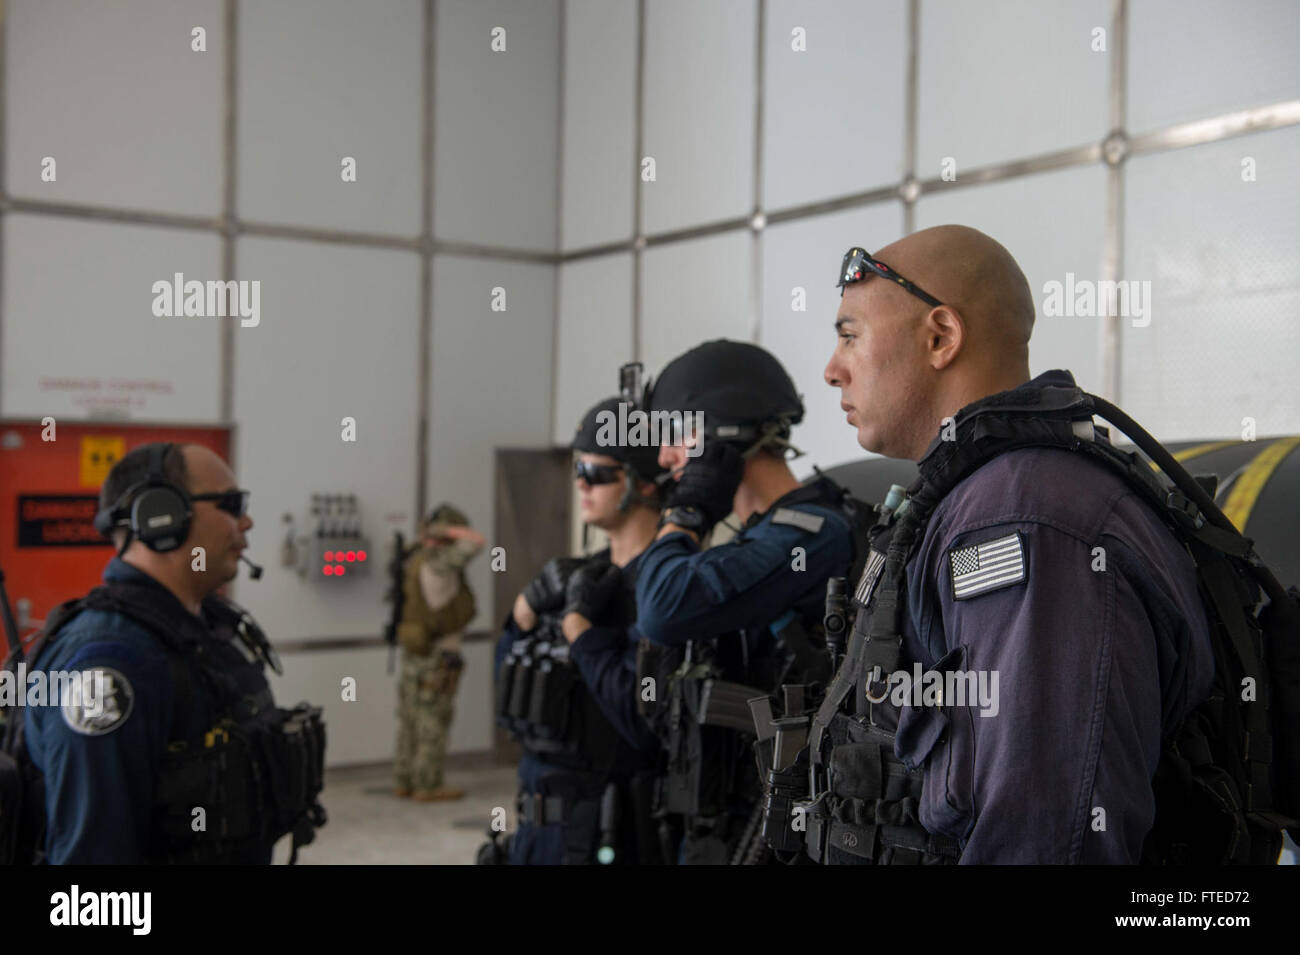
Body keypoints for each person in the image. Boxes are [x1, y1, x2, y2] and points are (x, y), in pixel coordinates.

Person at [810, 224, 1222, 863]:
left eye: (849, 335)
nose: (833, 369)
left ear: (941, 336)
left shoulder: (1025, 517)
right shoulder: (984, 499)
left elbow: (1047, 835)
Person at [18, 442, 325, 864]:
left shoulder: (207, 630)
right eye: (232, 505)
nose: (247, 522)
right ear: (162, 515)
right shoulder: (111, 664)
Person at [632, 340, 855, 865]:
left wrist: (686, 512)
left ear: (721, 436)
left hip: (774, 825)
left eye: (677, 436)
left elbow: (663, 608)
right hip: (724, 812)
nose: (665, 457)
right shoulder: (758, 539)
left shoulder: (811, 535)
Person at [492, 396, 665, 864]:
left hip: (609, 832)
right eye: (578, 472)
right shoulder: (580, 576)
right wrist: (524, 611)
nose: (582, 486)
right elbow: (507, 689)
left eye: (598, 474)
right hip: (538, 827)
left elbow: (644, 724)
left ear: (645, 482)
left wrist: (580, 631)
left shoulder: (664, 588)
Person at [393, 504, 485, 802]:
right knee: (433, 719)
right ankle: (428, 785)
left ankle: (404, 779)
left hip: (414, 650)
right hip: (438, 654)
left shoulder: (414, 560)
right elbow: (476, 541)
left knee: (409, 718)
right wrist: (444, 530)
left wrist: (428, 533)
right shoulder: (440, 563)